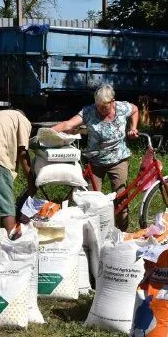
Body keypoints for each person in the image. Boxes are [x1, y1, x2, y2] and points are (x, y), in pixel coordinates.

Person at [52, 84, 138, 230]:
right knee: (91, 202)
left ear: (112, 102)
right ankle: (94, 235)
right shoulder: (89, 111)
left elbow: (135, 109)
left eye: (104, 107)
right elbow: (68, 124)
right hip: (95, 161)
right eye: (98, 106)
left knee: (121, 199)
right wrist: (48, 133)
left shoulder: (122, 108)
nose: (100, 109)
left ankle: (121, 233)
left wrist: (133, 127)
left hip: (118, 159)